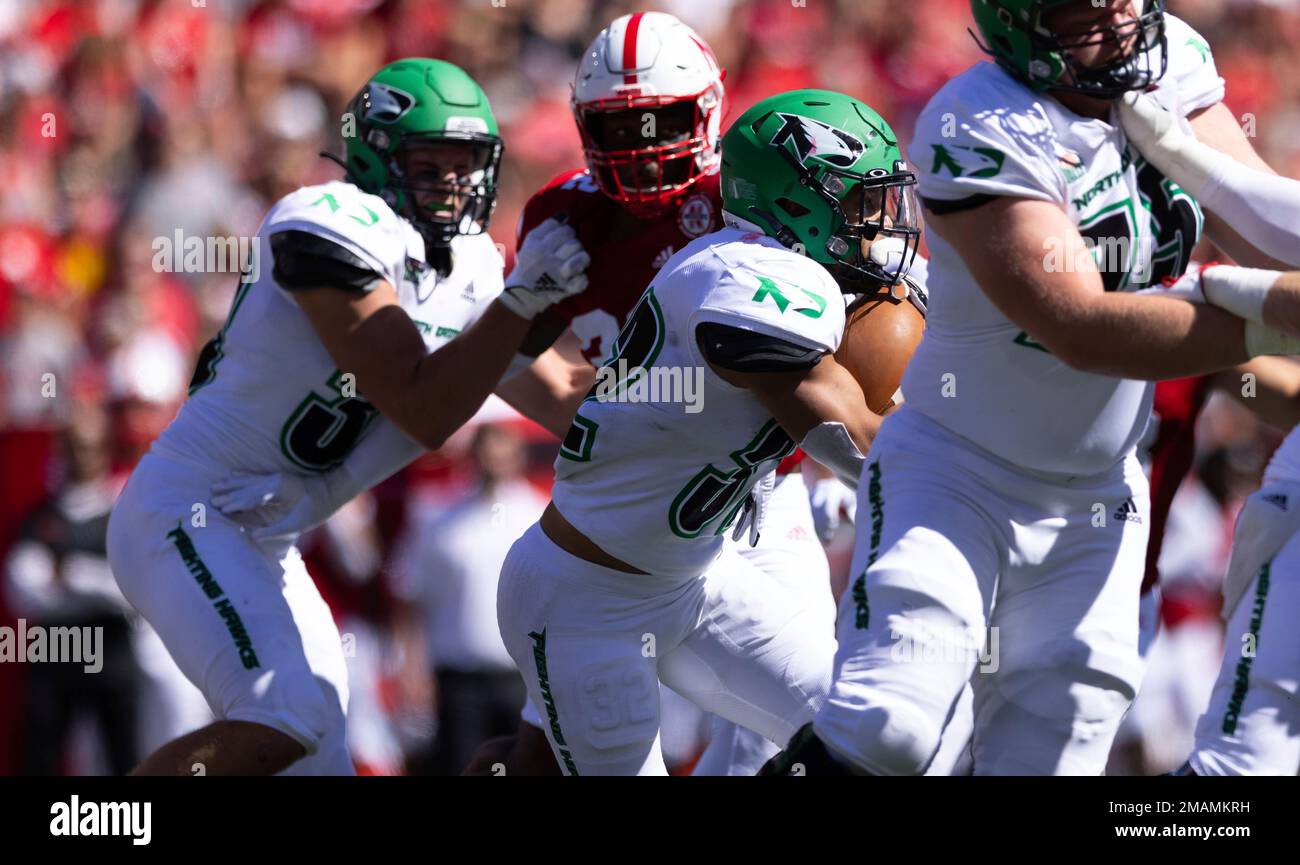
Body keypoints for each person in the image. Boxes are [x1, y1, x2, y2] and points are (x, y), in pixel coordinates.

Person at [764, 0, 1300, 776]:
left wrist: (1198, 164)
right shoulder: (977, 120)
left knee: (1047, 762)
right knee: (888, 726)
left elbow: (1267, 222)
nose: (1116, 17)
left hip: (1098, 495)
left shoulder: (1169, 58)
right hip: (962, 471)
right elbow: (1080, 329)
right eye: (1083, 5)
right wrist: (1265, 310)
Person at [105, 58, 590, 776]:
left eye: (466, 164)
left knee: (322, 750)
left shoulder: (472, 271)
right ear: (376, 159)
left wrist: (684, 375)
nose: (453, 182)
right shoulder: (327, 221)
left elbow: (571, 401)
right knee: (286, 714)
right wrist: (522, 307)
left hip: (265, 534)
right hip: (186, 511)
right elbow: (422, 403)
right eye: (430, 164)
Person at [496, 88, 922, 775]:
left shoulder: (773, 267)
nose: (879, 224)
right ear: (797, 202)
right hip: (588, 596)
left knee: (866, 734)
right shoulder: (747, 277)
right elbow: (854, 441)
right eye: (858, 200)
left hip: (696, 576)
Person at [1119, 87, 1300, 775]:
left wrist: (1222, 301)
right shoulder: (1036, 308)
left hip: (1127, 592)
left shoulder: (1199, 317)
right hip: (1020, 570)